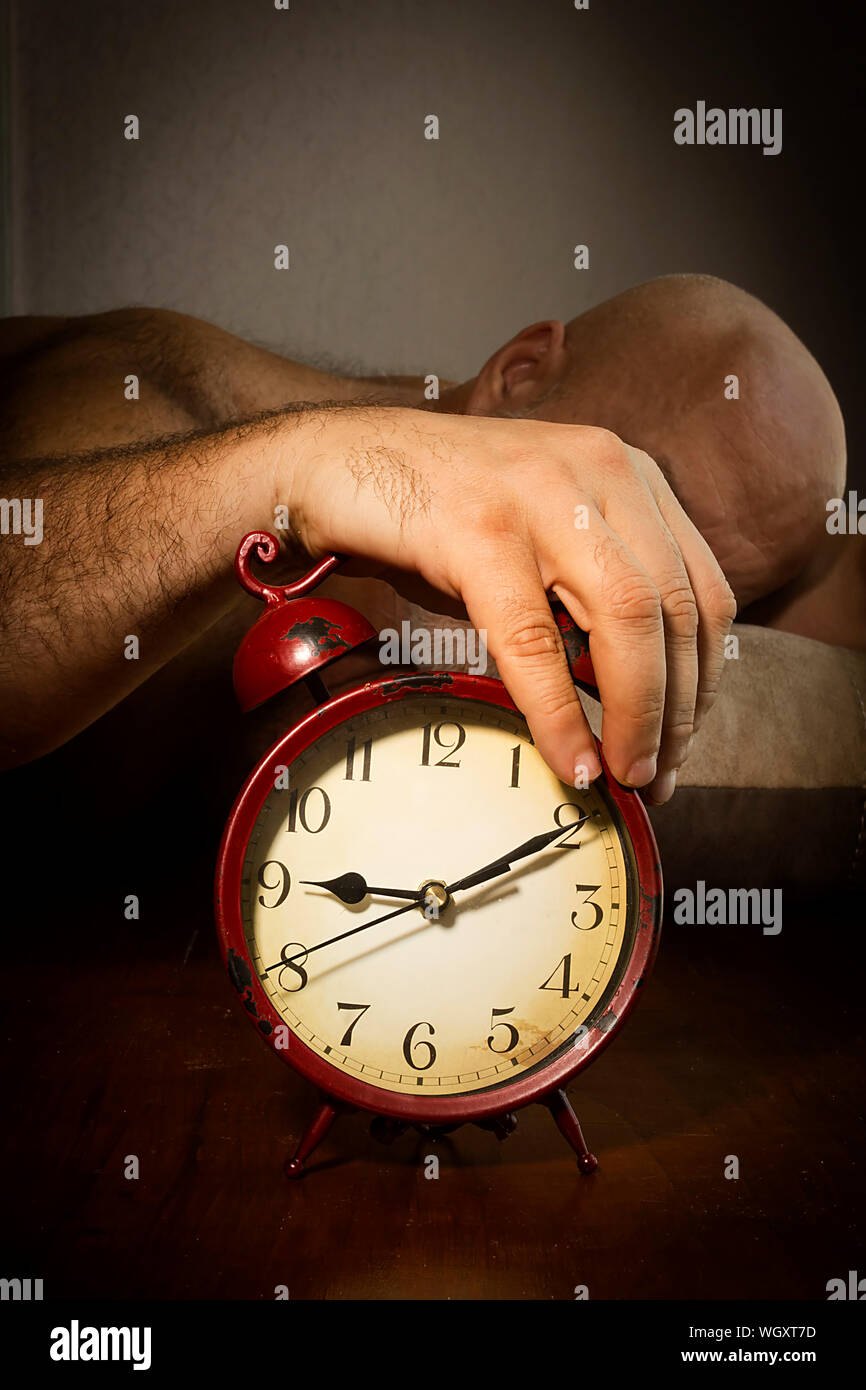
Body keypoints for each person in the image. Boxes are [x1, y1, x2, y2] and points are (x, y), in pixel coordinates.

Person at [0, 274, 846, 805]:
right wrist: (294, 480)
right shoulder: (152, 389)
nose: (627, 590)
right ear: (518, 376)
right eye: (623, 490)